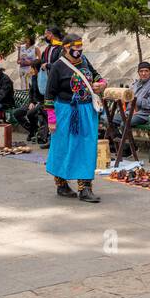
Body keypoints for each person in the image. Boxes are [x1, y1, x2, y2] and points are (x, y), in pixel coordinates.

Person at [45, 33, 105, 202]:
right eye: (75, 47)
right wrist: (51, 119)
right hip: (65, 111)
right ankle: (61, 184)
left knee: (87, 147)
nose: (79, 50)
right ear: (66, 48)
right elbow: (49, 94)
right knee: (62, 146)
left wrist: (101, 84)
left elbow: (97, 76)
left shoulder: (84, 60)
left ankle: (85, 188)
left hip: (87, 111)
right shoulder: (57, 66)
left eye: (80, 46)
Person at [14, 63, 47, 142]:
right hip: (33, 103)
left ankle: (34, 132)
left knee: (30, 113)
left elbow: (43, 93)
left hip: (42, 103)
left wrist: (37, 103)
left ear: (36, 69)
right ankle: (33, 130)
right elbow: (31, 93)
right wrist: (31, 102)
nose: (30, 70)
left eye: (32, 68)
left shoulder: (44, 78)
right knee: (17, 113)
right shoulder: (33, 78)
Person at [130, 61, 150, 126]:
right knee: (108, 119)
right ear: (138, 73)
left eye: (146, 71)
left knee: (125, 123)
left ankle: (123, 136)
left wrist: (136, 100)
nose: (143, 73)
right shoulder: (136, 84)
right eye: (141, 71)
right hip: (130, 112)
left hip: (143, 115)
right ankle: (118, 136)